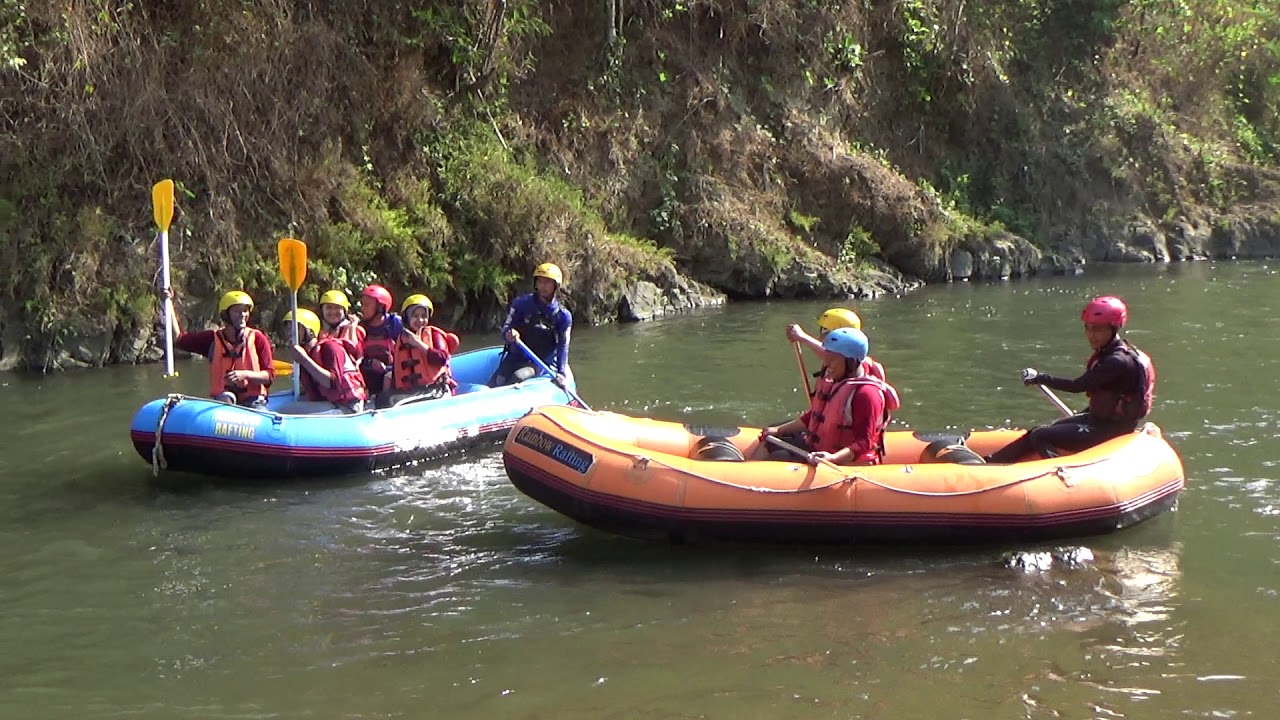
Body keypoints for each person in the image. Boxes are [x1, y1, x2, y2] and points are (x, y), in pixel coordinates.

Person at [986, 296, 1156, 464]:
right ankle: (991, 463)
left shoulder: (1117, 361)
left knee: (1040, 436)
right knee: (1040, 431)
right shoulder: (1112, 352)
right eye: (1088, 328)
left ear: (1113, 328)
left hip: (1111, 429)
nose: (1091, 335)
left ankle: (1058, 472)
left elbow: (1077, 386)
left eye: (1097, 329)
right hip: (1097, 420)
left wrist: (1040, 378)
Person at [755, 328, 901, 465]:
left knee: (779, 457)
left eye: (832, 360)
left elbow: (864, 442)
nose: (826, 364)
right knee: (771, 439)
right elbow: (814, 416)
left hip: (845, 462)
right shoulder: (836, 381)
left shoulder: (866, 394)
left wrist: (832, 458)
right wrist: (779, 430)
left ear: (851, 362)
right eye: (826, 358)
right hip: (818, 448)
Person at [163, 288, 275, 407]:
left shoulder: (258, 339)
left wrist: (245, 375)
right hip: (224, 400)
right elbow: (179, 338)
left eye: (245, 311)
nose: (242, 315)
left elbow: (269, 376)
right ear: (225, 315)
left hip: (253, 400)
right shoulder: (211, 339)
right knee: (225, 399)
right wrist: (168, 302)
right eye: (237, 311)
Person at [490, 262, 573, 387]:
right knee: (498, 381)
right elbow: (506, 328)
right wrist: (509, 333)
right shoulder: (521, 304)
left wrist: (561, 372)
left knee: (518, 376)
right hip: (515, 356)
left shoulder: (562, 316)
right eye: (540, 282)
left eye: (547, 282)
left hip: (538, 362)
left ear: (555, 285)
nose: (543, 286)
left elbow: (563, 346)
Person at [276, 309, 369, 415]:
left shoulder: (330, 347)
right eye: (288, 329)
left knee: (285, 410)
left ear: (309, 331)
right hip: (330, 402)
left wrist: (304, 360)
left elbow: (333, 383)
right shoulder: (308, 353)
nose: (290, 333)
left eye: (294, 328)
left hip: (348, 406)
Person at [355, 284, 438, 400]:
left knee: (388, 377)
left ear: (380, 307)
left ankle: (385, 402)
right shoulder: (359, 327)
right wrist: (369, 362)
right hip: (368, 375)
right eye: (363, 304)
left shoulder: (395, 325)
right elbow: (354, 358)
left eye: (367, 305)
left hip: (393, 373)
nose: (362, 308)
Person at [380, 293, 460, 408]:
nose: (420, 320)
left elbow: (442, 359)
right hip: (414, 391)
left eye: (424, 316)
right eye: (415, 316)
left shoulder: (434, 334)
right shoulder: (402, 339)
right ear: (406, 317)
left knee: (390, 402)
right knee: (383, 398)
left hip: (436, 390)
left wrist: (417, 343)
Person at [786, 308, 887, 381]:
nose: (820, 336)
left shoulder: (854, 364)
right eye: (822, 329)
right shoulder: (835, 361)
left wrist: (802, 337)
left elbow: (824, 352)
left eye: (826, 331)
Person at [318, 289, 365, 356]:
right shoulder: (316, 329)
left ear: (344, 311)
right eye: (328, 307)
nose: (333, 312)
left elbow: (357, 354)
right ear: (322, 310)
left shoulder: (355, 329)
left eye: (337, 308)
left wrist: (352, 329)